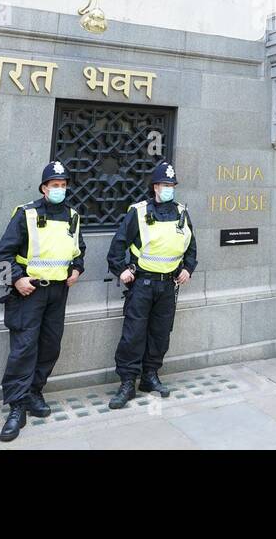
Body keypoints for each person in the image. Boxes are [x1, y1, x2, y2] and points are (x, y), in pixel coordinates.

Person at [0, 160, 84, 442]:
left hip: (58, 293)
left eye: (63, 185)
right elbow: (3, 256)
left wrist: (77, 269)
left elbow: (78, 250)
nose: (59, 189)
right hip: (29, 292)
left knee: (50, 345)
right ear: (44, 188)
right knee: (24, 348)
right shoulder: (26, 214)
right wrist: (17, 280)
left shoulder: (72, 216)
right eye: (54, 185)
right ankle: (17, 406)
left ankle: (34, 392)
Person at [106, 161, 197, 409]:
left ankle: (150, 376)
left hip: (168, 286)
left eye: (172, 185)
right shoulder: (138, 211)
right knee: (133, 335)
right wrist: (122, 270)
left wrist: (188, 268)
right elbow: (117, 246)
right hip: (142, 284)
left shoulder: (181, 212)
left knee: (160, 334)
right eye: (165, 185)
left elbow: (191, 247)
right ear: (155, 186)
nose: (169, 189)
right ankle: (127, 382)